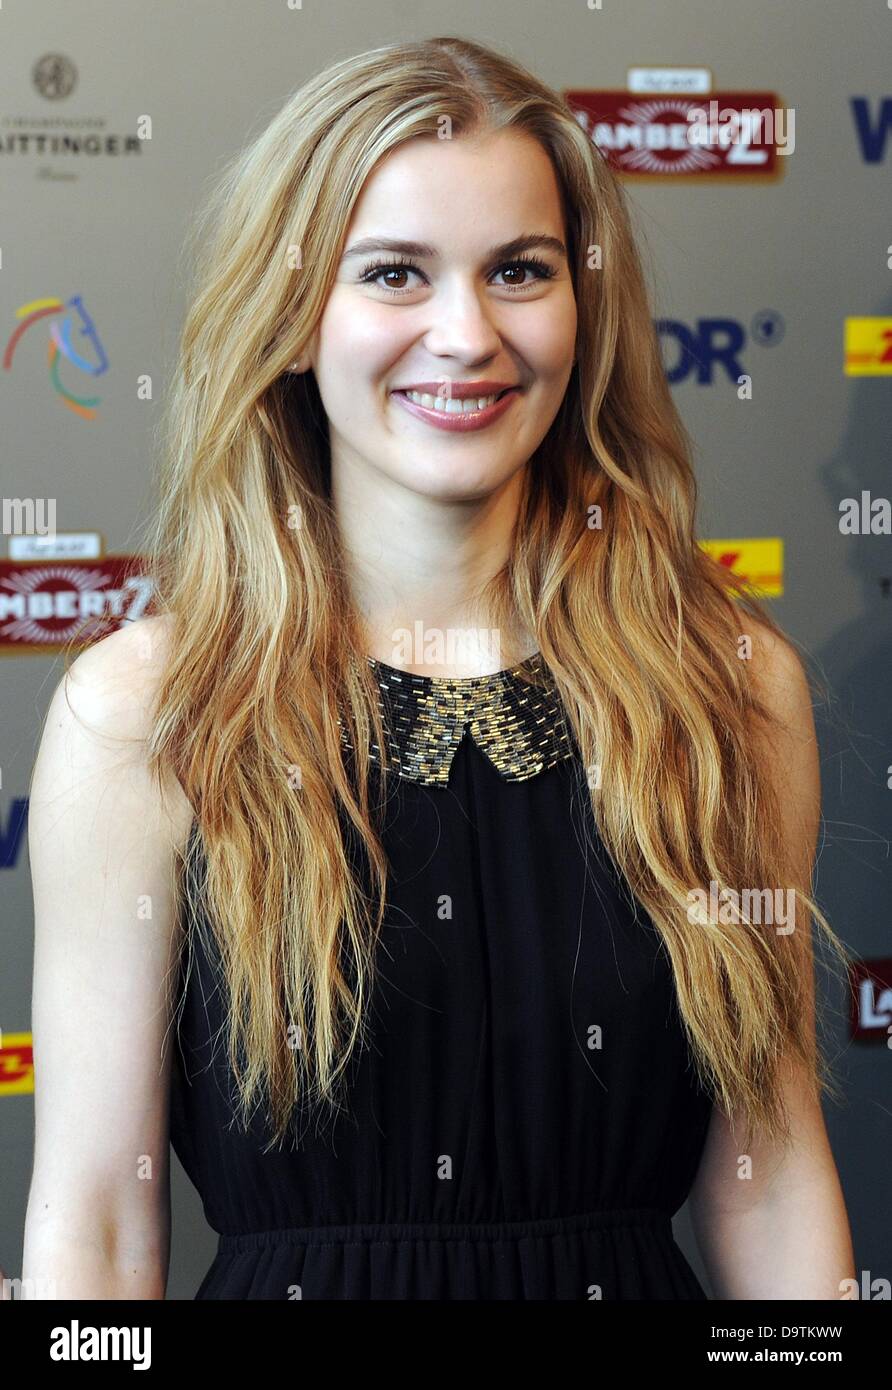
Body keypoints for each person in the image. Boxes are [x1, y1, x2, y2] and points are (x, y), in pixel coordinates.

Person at [23, 35, 854, 1301]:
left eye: (519, 270)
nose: (465, 334)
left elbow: (775, 1176)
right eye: (395, 274)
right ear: (295, 318)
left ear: (582, 307)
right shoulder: (144, 714)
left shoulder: (728, 689)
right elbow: (93, 1225)